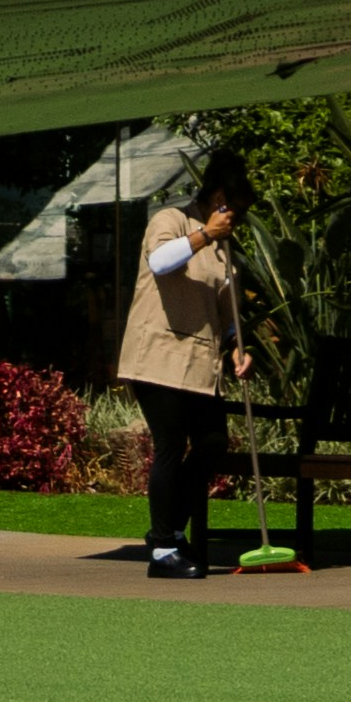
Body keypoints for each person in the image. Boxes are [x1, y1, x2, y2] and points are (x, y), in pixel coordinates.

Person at [114, 161, 257, 579]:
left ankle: (171, 531)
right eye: (238, 211)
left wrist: (236, 349)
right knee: (171, 445)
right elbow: (160, 262)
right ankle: (161, 552)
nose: (240, 221)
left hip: (200, 364)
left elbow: (226, 315)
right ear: (219, 201)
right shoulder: (171, 220)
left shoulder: (225, 251)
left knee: (213, 442)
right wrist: (203, 235)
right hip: (158, 356)